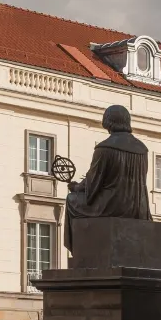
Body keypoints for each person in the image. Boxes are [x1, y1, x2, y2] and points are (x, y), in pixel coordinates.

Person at [63, 105, 152, 253]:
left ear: (108, 121)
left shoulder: (104, 148)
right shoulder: (142, 149)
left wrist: (76, 187)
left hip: (112, 205)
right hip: (138, 208)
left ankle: (81, 253)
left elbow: (94, 181)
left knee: (72, 200)